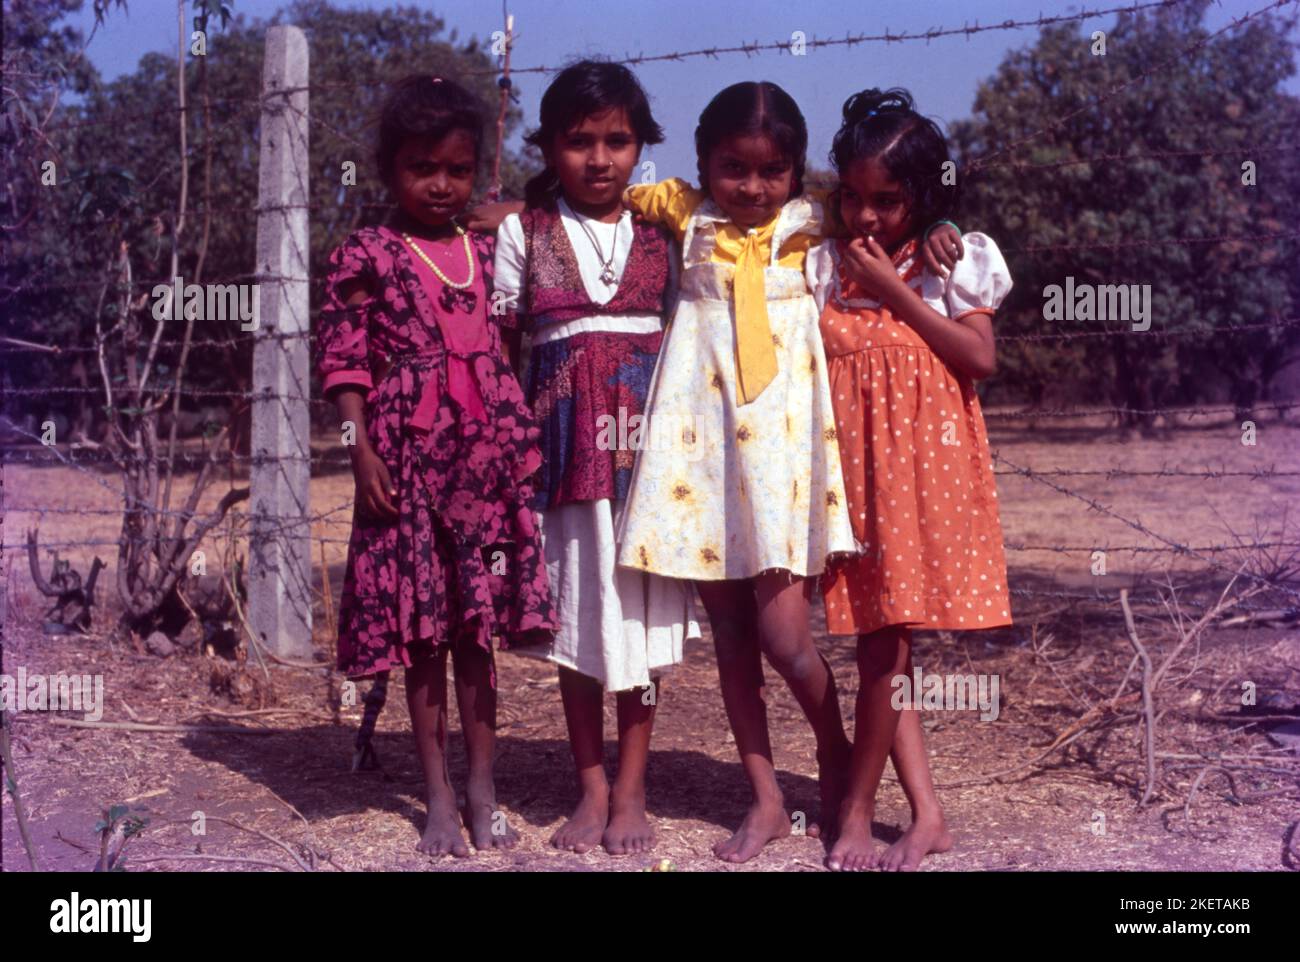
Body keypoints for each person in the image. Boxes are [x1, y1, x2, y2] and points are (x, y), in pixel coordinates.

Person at [316, 75, 554, 858]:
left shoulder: (490, 248)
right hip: (405, 467)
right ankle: (440, 798)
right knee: (423, 636)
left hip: (484, 466)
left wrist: (508, 210)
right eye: (422, 169)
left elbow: (561, 218)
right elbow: (345, 370)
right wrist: (361, 457)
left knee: (477, 632)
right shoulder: (368, 253)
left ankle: (485, 787)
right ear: (389, 169)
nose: (441, 185)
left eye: (457, 169)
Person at [491, 60, 700, 856]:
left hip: (647, 468)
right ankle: (590, 785)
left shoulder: (665, 233)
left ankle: (634, 789)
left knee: (641, 628)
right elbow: (504, 349)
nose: (600, 159)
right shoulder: (523, 232)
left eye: (618, 141)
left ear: (640, 145)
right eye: (580, 142)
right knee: (578, 623)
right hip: (560, 460)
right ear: (550, 147)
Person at [808, 87, 1013, 871]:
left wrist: (896, 290)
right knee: (884, 649)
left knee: (885, 649)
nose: (866, 217)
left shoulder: (953, 259)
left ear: (924, 197)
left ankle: (857, 812)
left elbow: (979, 360)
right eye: (852, 198)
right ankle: (927, 816)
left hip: (924, 483)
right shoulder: (823, 265)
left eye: (888, 201)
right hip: (850, 483)